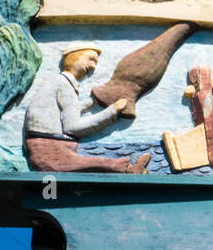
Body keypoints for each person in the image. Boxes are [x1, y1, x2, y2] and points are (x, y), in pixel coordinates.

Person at [22, 46, 151, 173]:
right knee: (98, 162)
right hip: (49, 152)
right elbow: (73, 128)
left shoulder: (58, 82)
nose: (93, 66)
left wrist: (93, 101)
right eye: (90, 59)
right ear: (74, 57)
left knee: (95, 159)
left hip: (52, 148)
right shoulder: (63, 85)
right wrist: (112, 112)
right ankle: (129, 168)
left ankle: (129, 167)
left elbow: (70, 109)